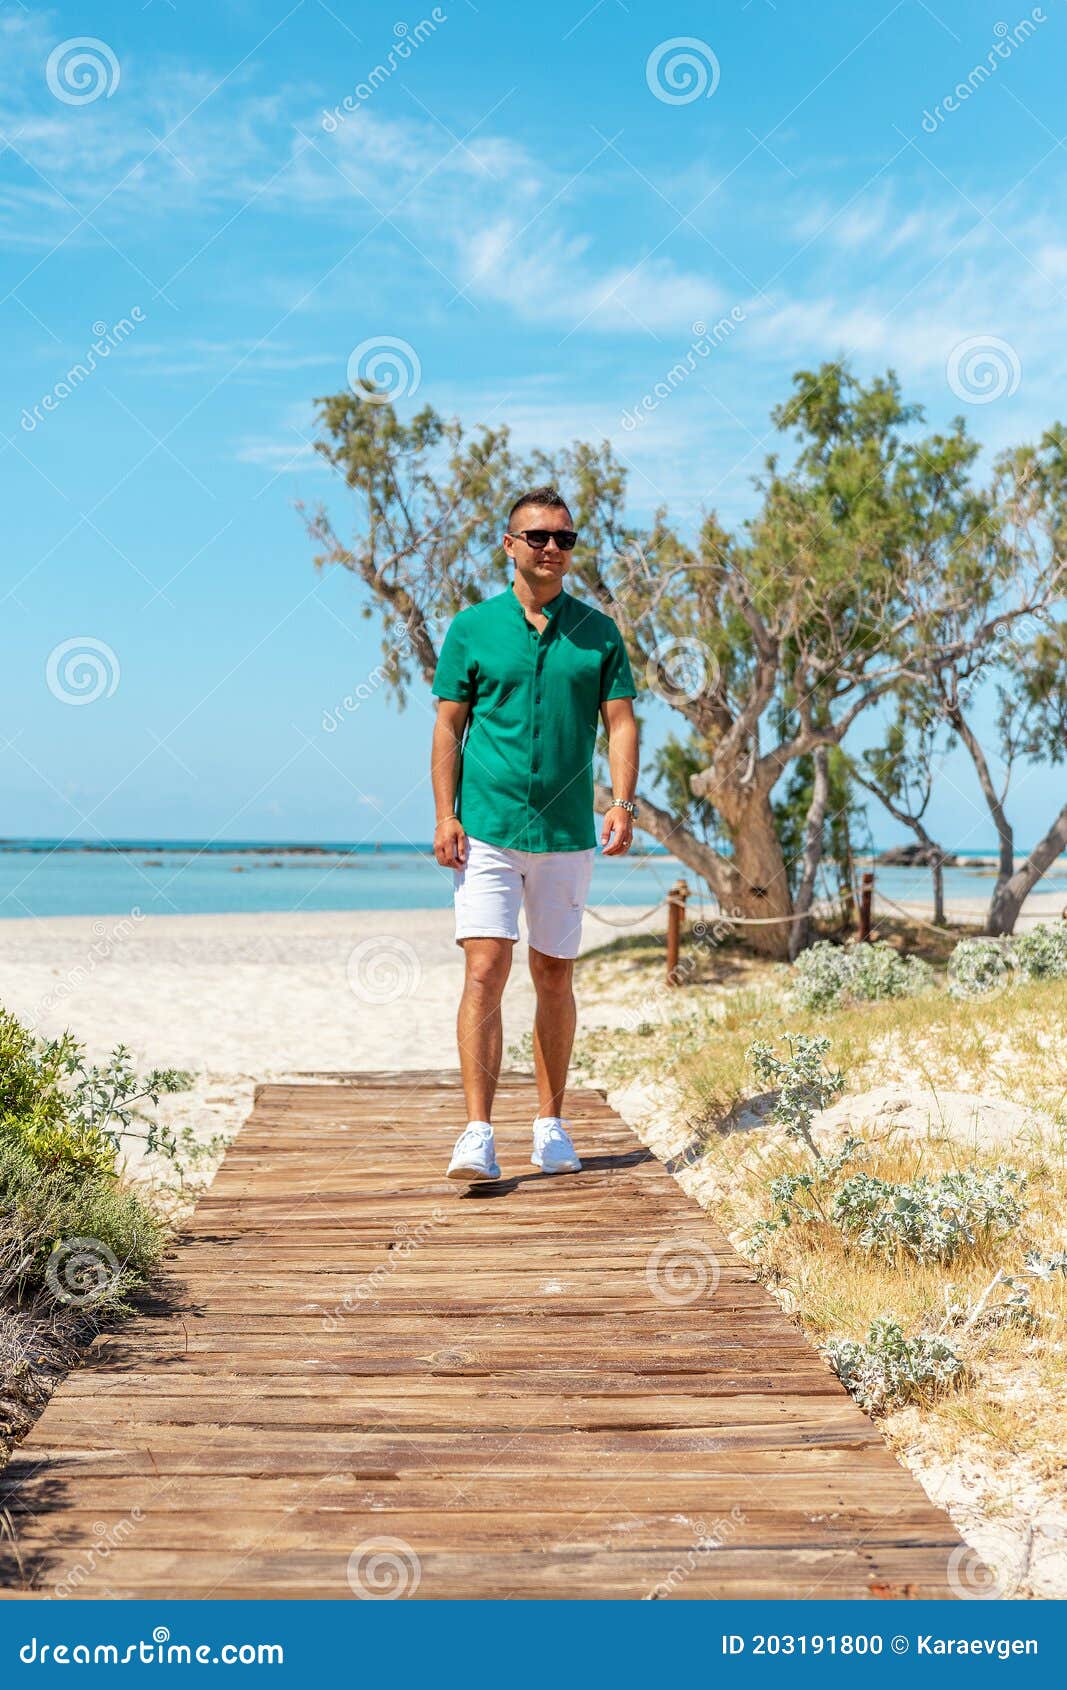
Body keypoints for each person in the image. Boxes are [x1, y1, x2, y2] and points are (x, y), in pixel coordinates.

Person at [431, 486, 640, 1183]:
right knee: (484, 970)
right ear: (509, 545)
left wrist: (622, 802)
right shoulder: (471, 628)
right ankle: (476, 1134)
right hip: (487, 828)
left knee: (553, 974)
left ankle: (549, 1125)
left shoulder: (598, 633)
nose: (552, 548)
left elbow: (620, 723)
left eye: (564, 538)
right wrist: (445, 814)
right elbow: (448, 727)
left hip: (566, 834)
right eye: (538, 536)